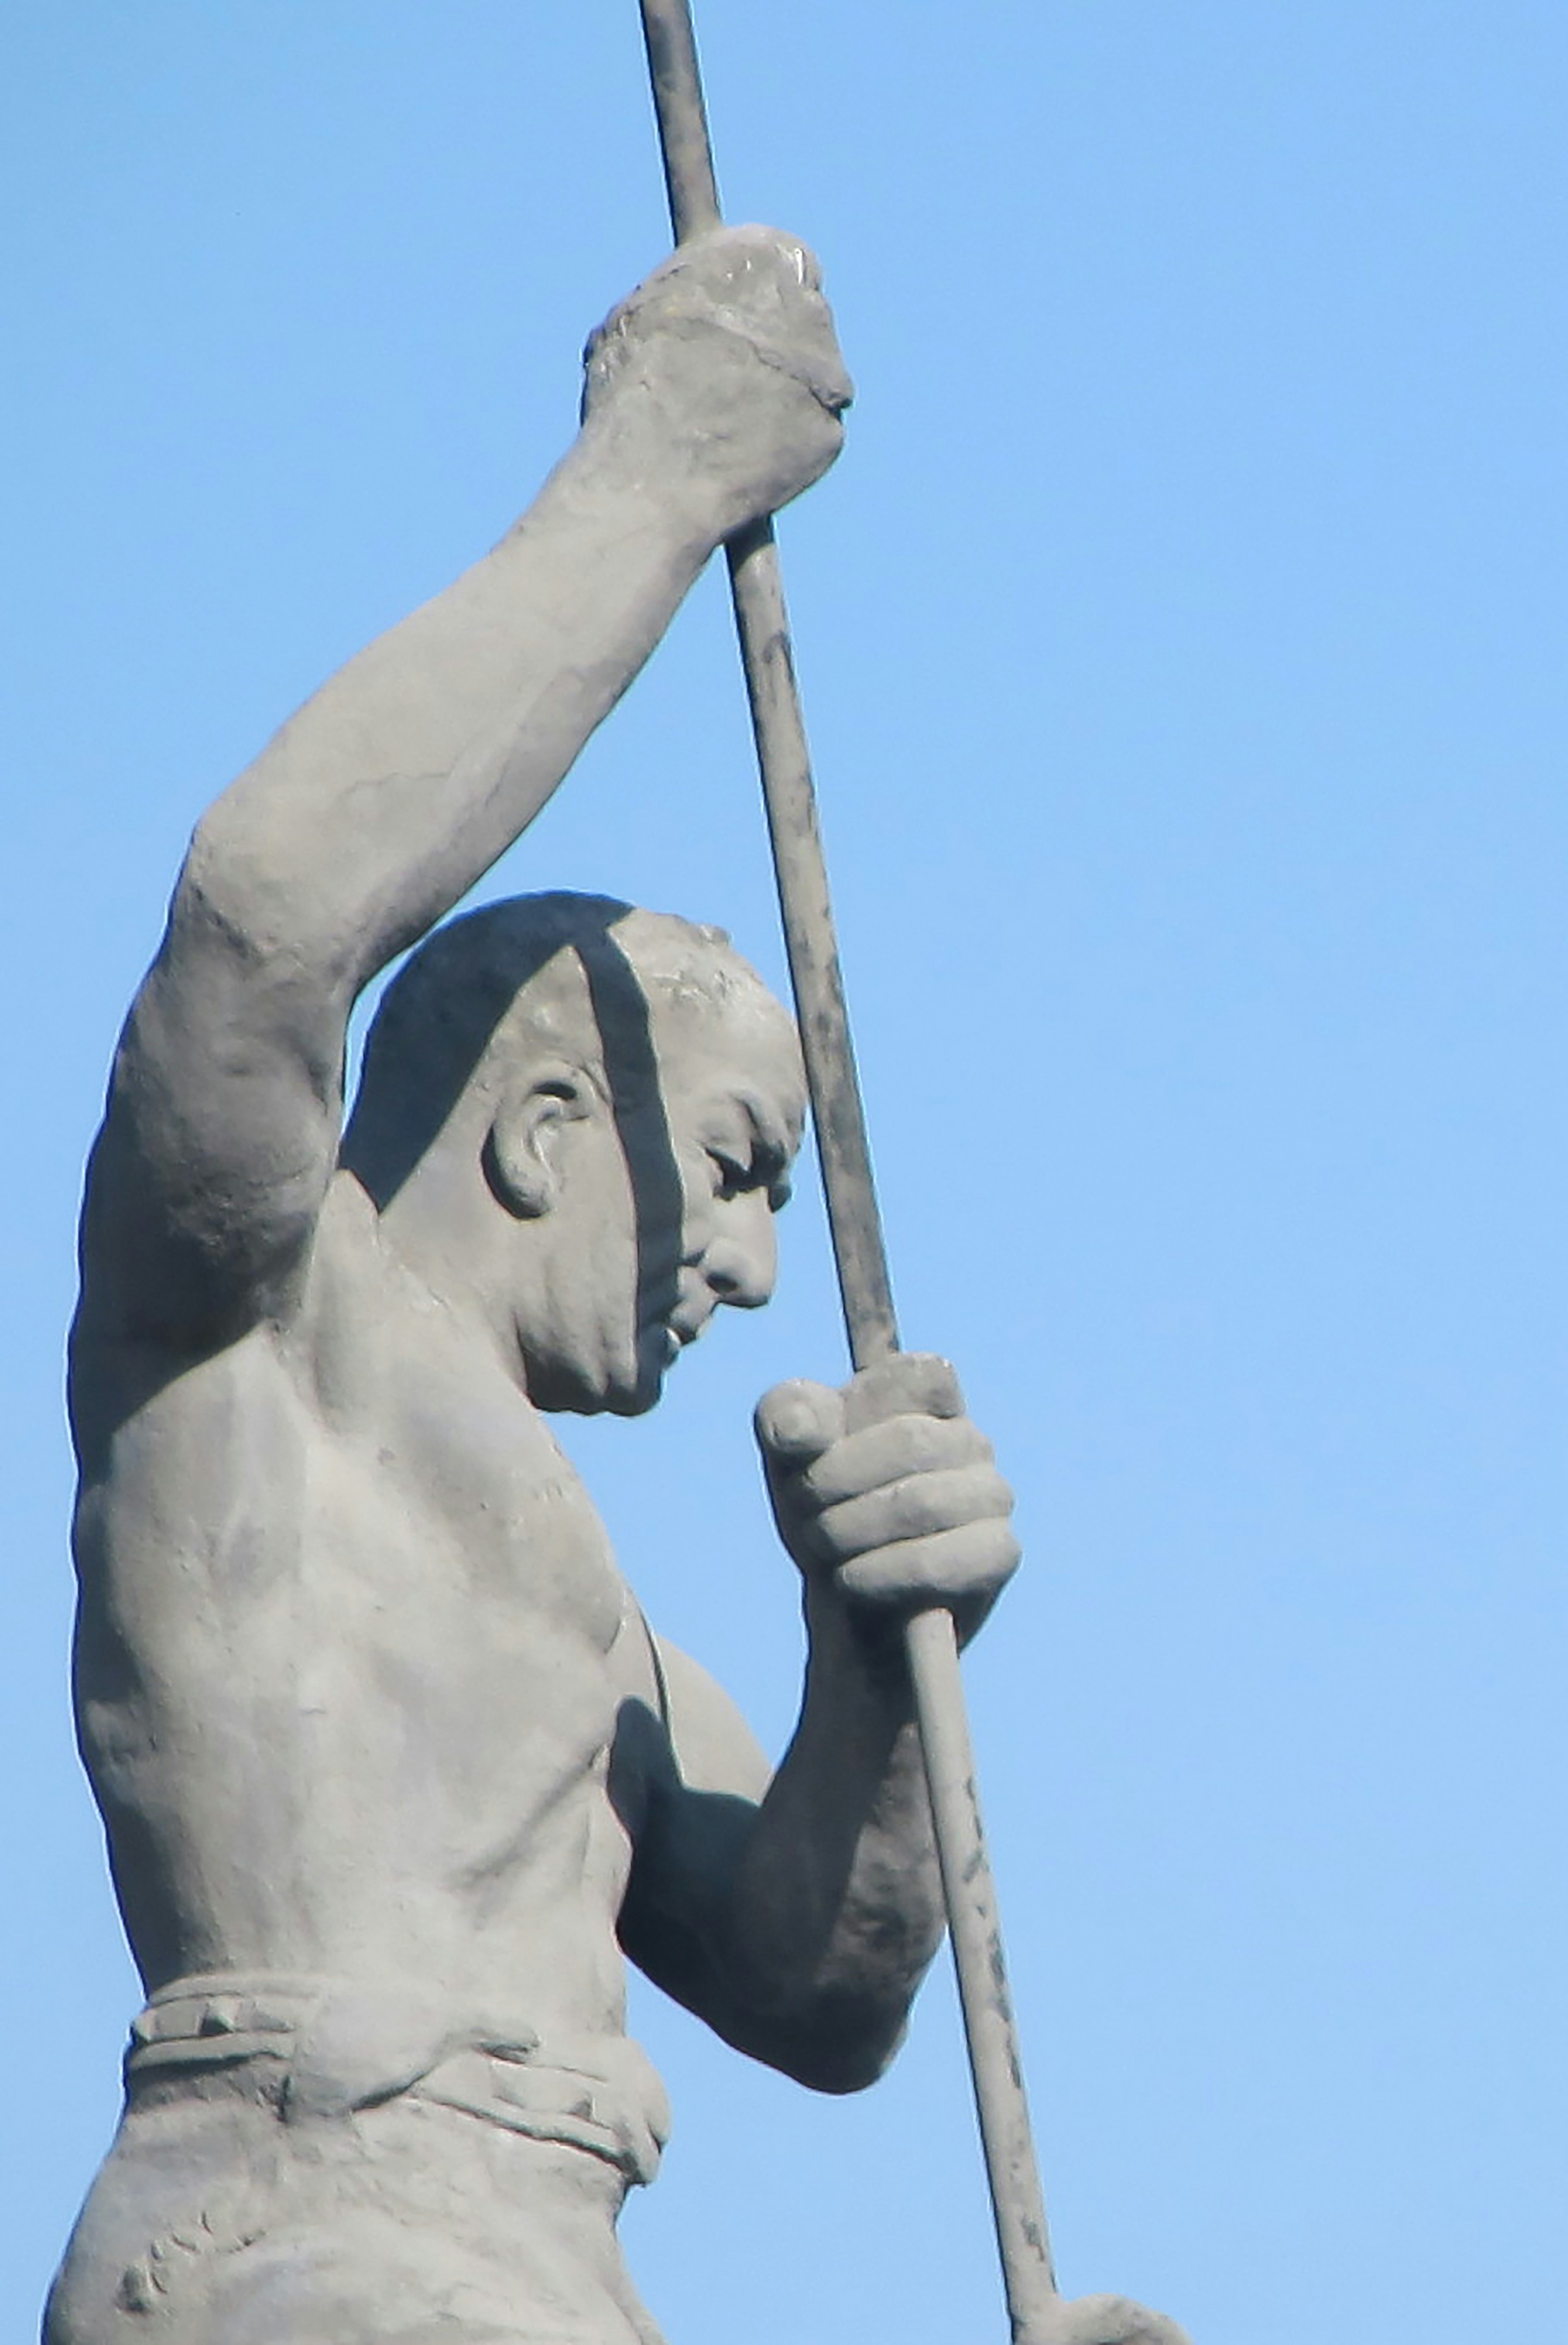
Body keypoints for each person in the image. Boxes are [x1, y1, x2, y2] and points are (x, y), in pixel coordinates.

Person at [47, 228, 1178, 2345]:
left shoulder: (597, 1629)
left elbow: (813, 1989)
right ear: (554, 1126)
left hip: (544, 2267)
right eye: (736, 1177)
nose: (750, 1269)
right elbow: (260, 922)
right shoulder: (246, 1335)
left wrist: (873, 1661)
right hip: (315, 2247)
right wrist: (646, 493)